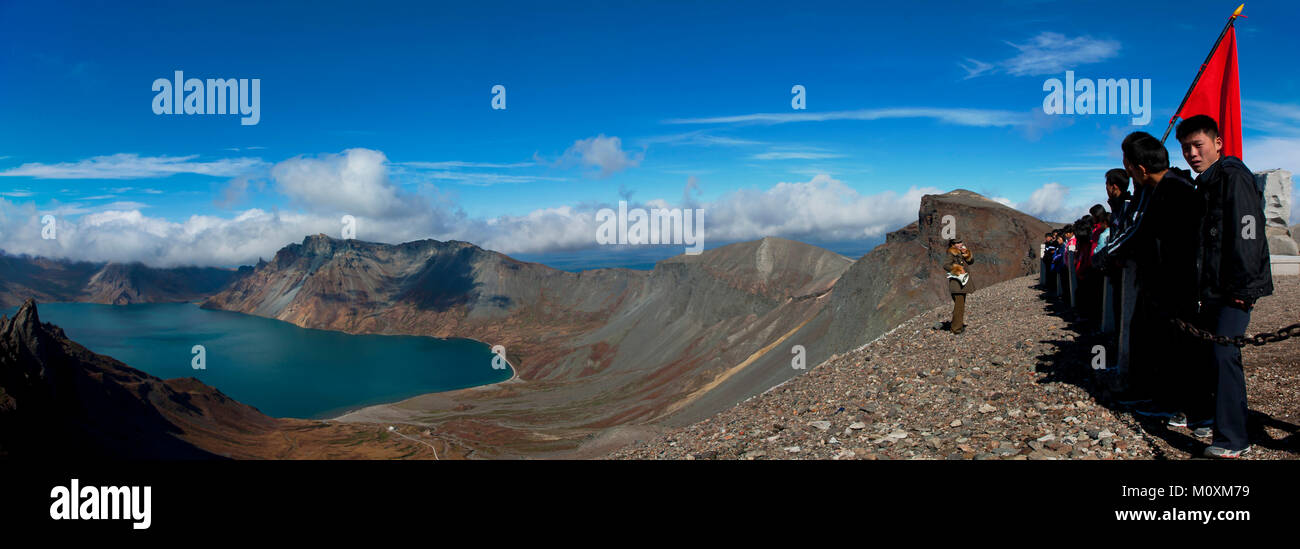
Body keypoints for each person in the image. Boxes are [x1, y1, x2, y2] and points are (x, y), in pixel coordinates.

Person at [1176, 114, 1274, 459]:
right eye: (1185, 148)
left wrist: (1243, 289)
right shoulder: (1207, 183)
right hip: (1211, 288)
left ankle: (1234, 438)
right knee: (1204, 350)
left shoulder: (1233, 177)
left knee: (1224, 355)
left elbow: (1248, 233)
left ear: (1217, 143)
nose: (1191, 153)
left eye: (1197, 145)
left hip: (1234, 287)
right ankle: (1205, 418)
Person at [1111, 133, 1203, 417]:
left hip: (1176, 285)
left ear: (1140, 169)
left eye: (1128, 166)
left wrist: (1108, 255)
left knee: (1174, 344)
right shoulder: (1159, 190)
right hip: (1159, 283)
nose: (1127, 172)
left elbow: (1142, 233)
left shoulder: (1174, 191)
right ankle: (1153, 393)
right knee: (1153, 339)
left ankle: (1175, 402)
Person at [943, 238, 974, 334]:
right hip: (957, 284)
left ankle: (957, 325)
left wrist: (966, 254)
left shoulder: (960, 252)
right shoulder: (951, 253)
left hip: (962, 284)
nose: (960, 244)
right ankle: (956, 329)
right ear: (953, 245)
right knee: (959, 307)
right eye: (958, 243)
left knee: (960, 306)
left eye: (961, 242)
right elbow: (946, 265)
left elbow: (971, 262)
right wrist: (958, 269)